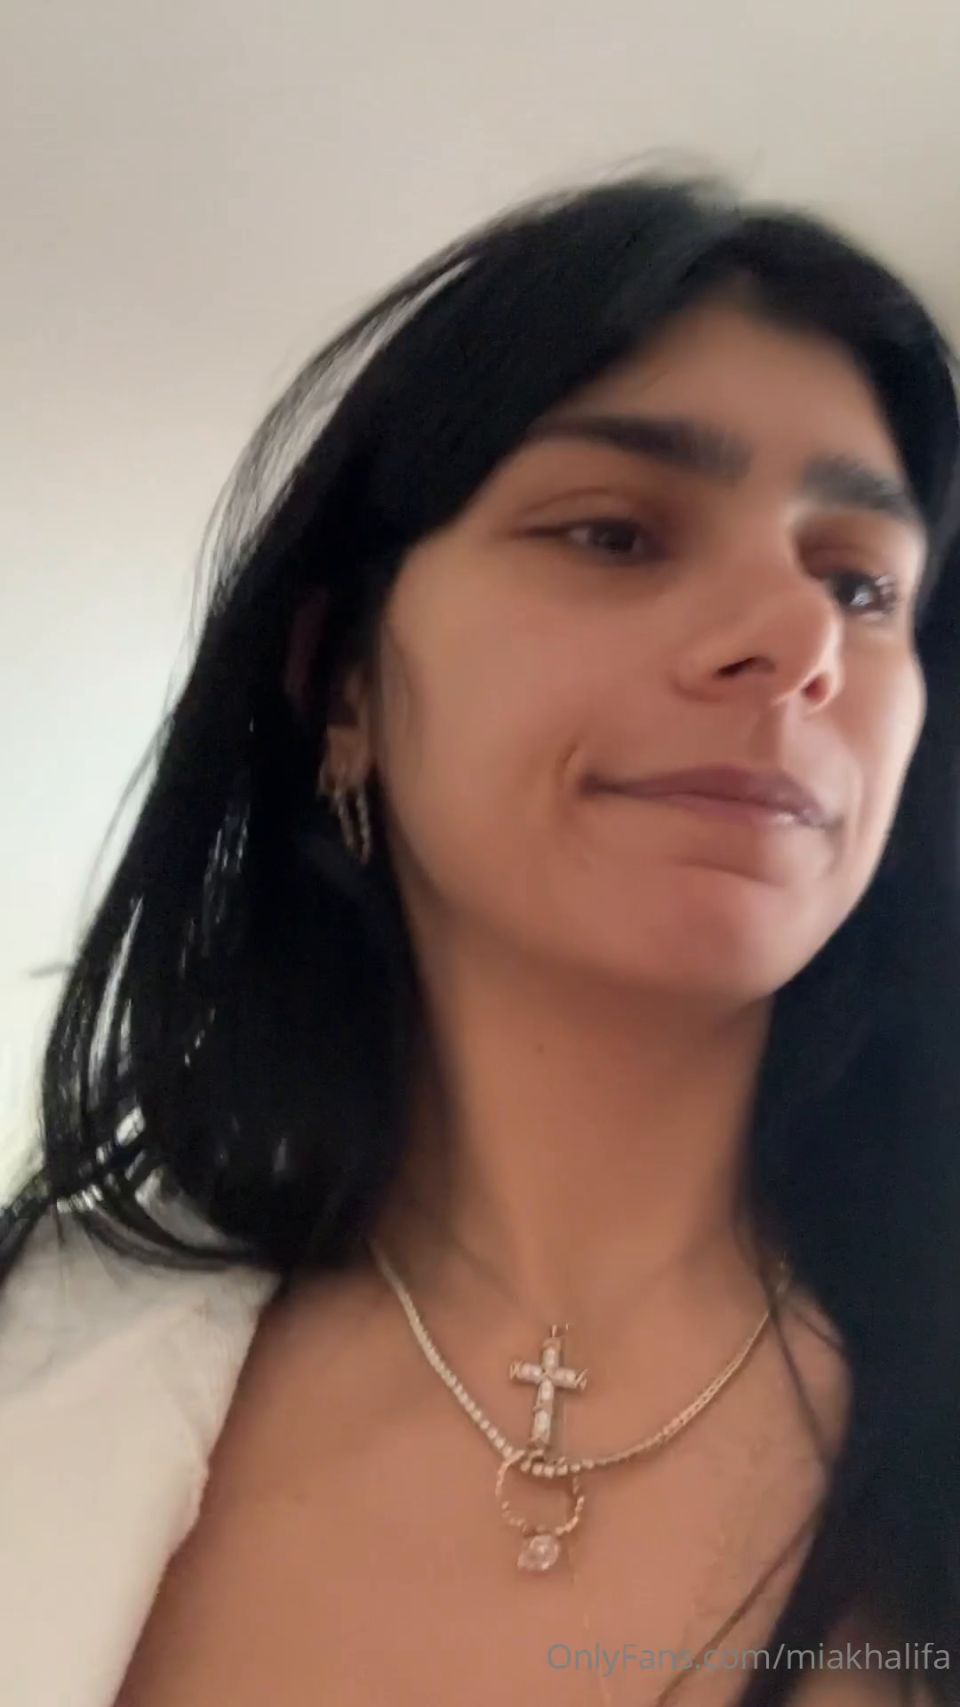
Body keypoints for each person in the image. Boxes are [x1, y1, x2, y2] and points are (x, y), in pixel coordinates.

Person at [1, 163, 959, 1707]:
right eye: (616, 535)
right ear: (341, 681)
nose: (799, 641)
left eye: (861, 583)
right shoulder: (36, 1375)